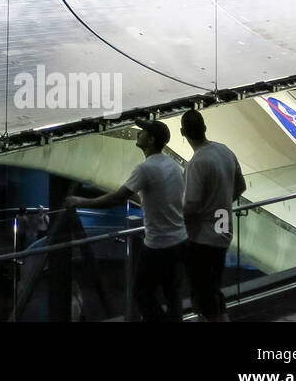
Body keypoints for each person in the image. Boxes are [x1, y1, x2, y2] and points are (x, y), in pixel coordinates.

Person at [65, 119, 186, 322]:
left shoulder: (145, 169)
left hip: (157, 244)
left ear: (151, 139)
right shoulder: (172, 165)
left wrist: (81, 201)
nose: (139, 133)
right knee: (173, 296)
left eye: (143, 131)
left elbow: (116, 198)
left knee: (142, 294)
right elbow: (162, 196)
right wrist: (138, 197)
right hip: (179, 241)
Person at [180, 108, 246, 322]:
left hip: (202, 237)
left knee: (203, 293)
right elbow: (241, 186)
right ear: (205, 128)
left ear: (182, 132)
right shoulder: (224, 151)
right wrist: (221, 203)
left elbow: (192, 205)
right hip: (223, 229)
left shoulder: (197, 163)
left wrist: (178, 226)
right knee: (212, 288)